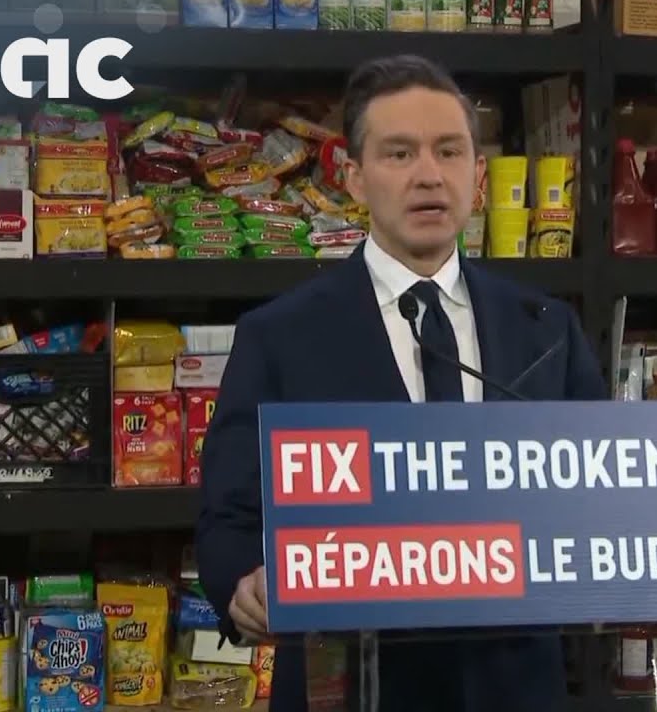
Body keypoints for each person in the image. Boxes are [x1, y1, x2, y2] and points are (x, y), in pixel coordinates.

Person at [195, 53, 606, 712]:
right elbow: (228, 519)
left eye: (448, 152)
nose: (428, 177)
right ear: (353, 179)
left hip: (514, 687)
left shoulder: (548, 329)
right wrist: (245, 584)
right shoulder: (280, 334)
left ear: (477, 176)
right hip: (349, 687)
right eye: (399, 154)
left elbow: (600, 498)